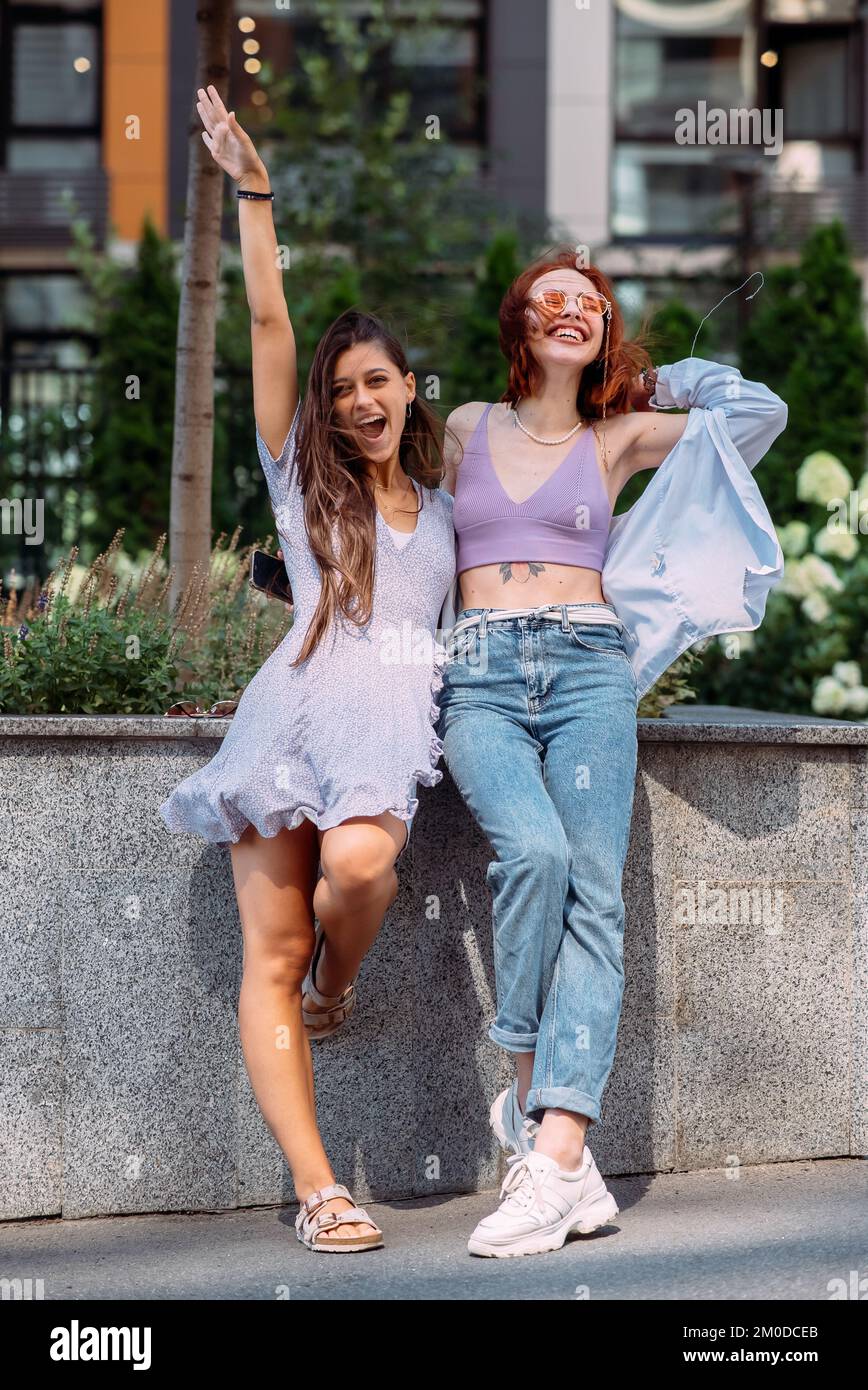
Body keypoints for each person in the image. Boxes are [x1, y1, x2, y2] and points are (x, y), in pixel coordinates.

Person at [438, 244, 787, 1258]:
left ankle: (553, 1159)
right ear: (517, 323)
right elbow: (407, 527)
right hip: (482, 674)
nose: (569, 310)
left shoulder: (619, 434)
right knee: (532, 855)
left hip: (588, 666)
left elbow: (755, 415)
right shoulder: (466, 424)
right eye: (550, 298)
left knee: (594, 893)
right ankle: (531, 1101)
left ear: (600, 333)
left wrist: (656, 375)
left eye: (589, 305)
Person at [159, 86, 456, 1254]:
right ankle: (320, 1187)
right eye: (342, 393)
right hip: (289, 719)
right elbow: (272, 328)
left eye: (376, 381)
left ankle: (343, 977)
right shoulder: (302, 483)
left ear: (408, 387)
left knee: (362, 870)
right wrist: (253, 188)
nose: (359, 401)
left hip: (385, 733)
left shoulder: (445, 508)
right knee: (267, 959)